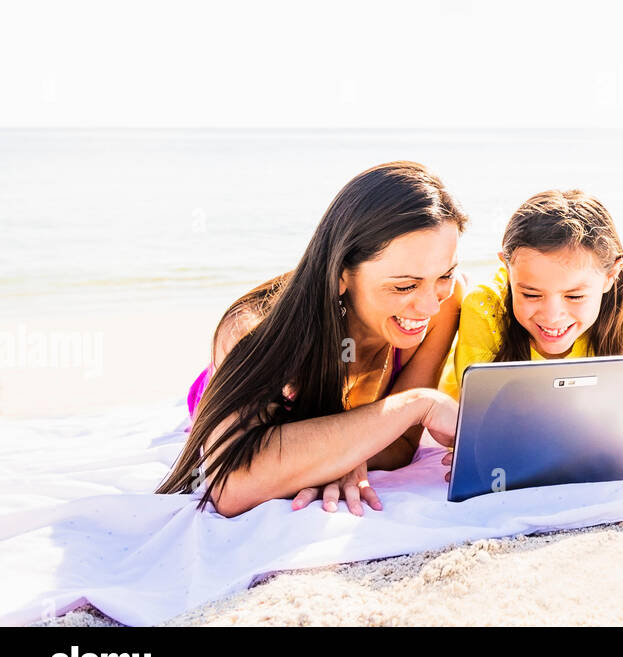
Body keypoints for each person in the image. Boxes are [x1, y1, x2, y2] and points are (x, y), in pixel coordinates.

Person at [157, 161, 467, 518]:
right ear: (339, 275)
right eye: (404, 286)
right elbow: (230, 484)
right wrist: (417, 404)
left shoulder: (447, 300)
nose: (430, 304)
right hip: (236, 394)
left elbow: (399, 445)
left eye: (445, 274)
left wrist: (332, 454)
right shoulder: (252, 330)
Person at [437, 188, 623, 478]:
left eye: (574, 297)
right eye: (531, 294)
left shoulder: (618, 312)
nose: (552, 316)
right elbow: (486, 422)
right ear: (507, 269)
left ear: (610, 276)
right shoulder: (484, 308)